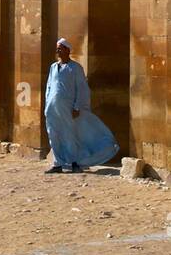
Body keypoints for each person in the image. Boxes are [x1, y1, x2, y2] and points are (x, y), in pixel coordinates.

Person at [43, 38, 119, 173]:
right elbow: (49, 87)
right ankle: (58, 163)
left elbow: (82, 89)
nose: (57, 51)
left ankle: (74, 162)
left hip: (68, 108)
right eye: (57, 48)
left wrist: (78, 107)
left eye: (60, 48)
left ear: (67, 50)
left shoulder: (75, 68)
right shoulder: (53, 67)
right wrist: (47, 105)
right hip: (52, 109)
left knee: (69, 135)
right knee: (53, 134)